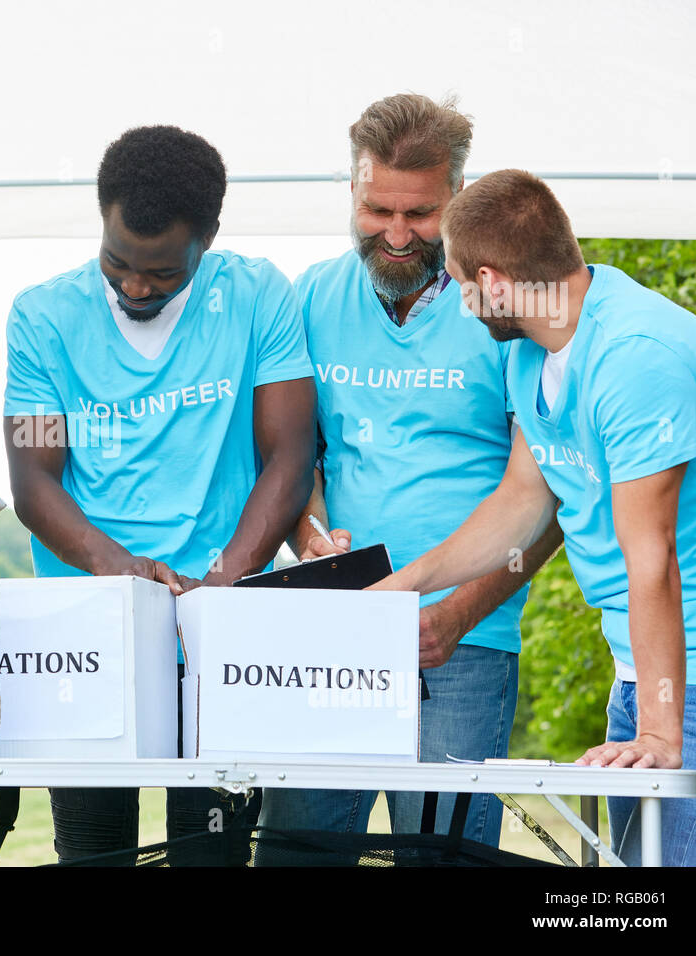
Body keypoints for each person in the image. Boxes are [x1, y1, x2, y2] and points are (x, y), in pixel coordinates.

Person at [373, 168, 696, 866]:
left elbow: (652, 558)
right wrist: (401, 587)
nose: (462, 304)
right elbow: (520, 507)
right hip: (642, 674)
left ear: (496, 283)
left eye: (463, 284)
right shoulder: (534, 350)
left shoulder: (636, 360)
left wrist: (658, 729)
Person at [4, 125, 316, 864]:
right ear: (101, 216)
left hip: (224, 630)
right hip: (91, 629)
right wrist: (117, 570)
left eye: (163, 273)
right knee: (93, 853)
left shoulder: (256, 294)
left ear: (207, 238)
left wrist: (221, 589)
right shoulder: (43, 316)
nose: (136, 286)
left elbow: (290, 454)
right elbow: (32, 478)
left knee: (208, 853)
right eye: (118, 263)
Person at [259, 94, 563, 848]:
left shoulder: (504, 309)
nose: (396, 235)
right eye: (377, 210)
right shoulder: (311, 298)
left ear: (457, 198)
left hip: (465, 642)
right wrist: (312, 533)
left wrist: (458, 616)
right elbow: (299, 461)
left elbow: (548, 503)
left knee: (443, 854)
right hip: (333, 637)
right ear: (352, 193)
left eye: (420, 214)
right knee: (300, 853)